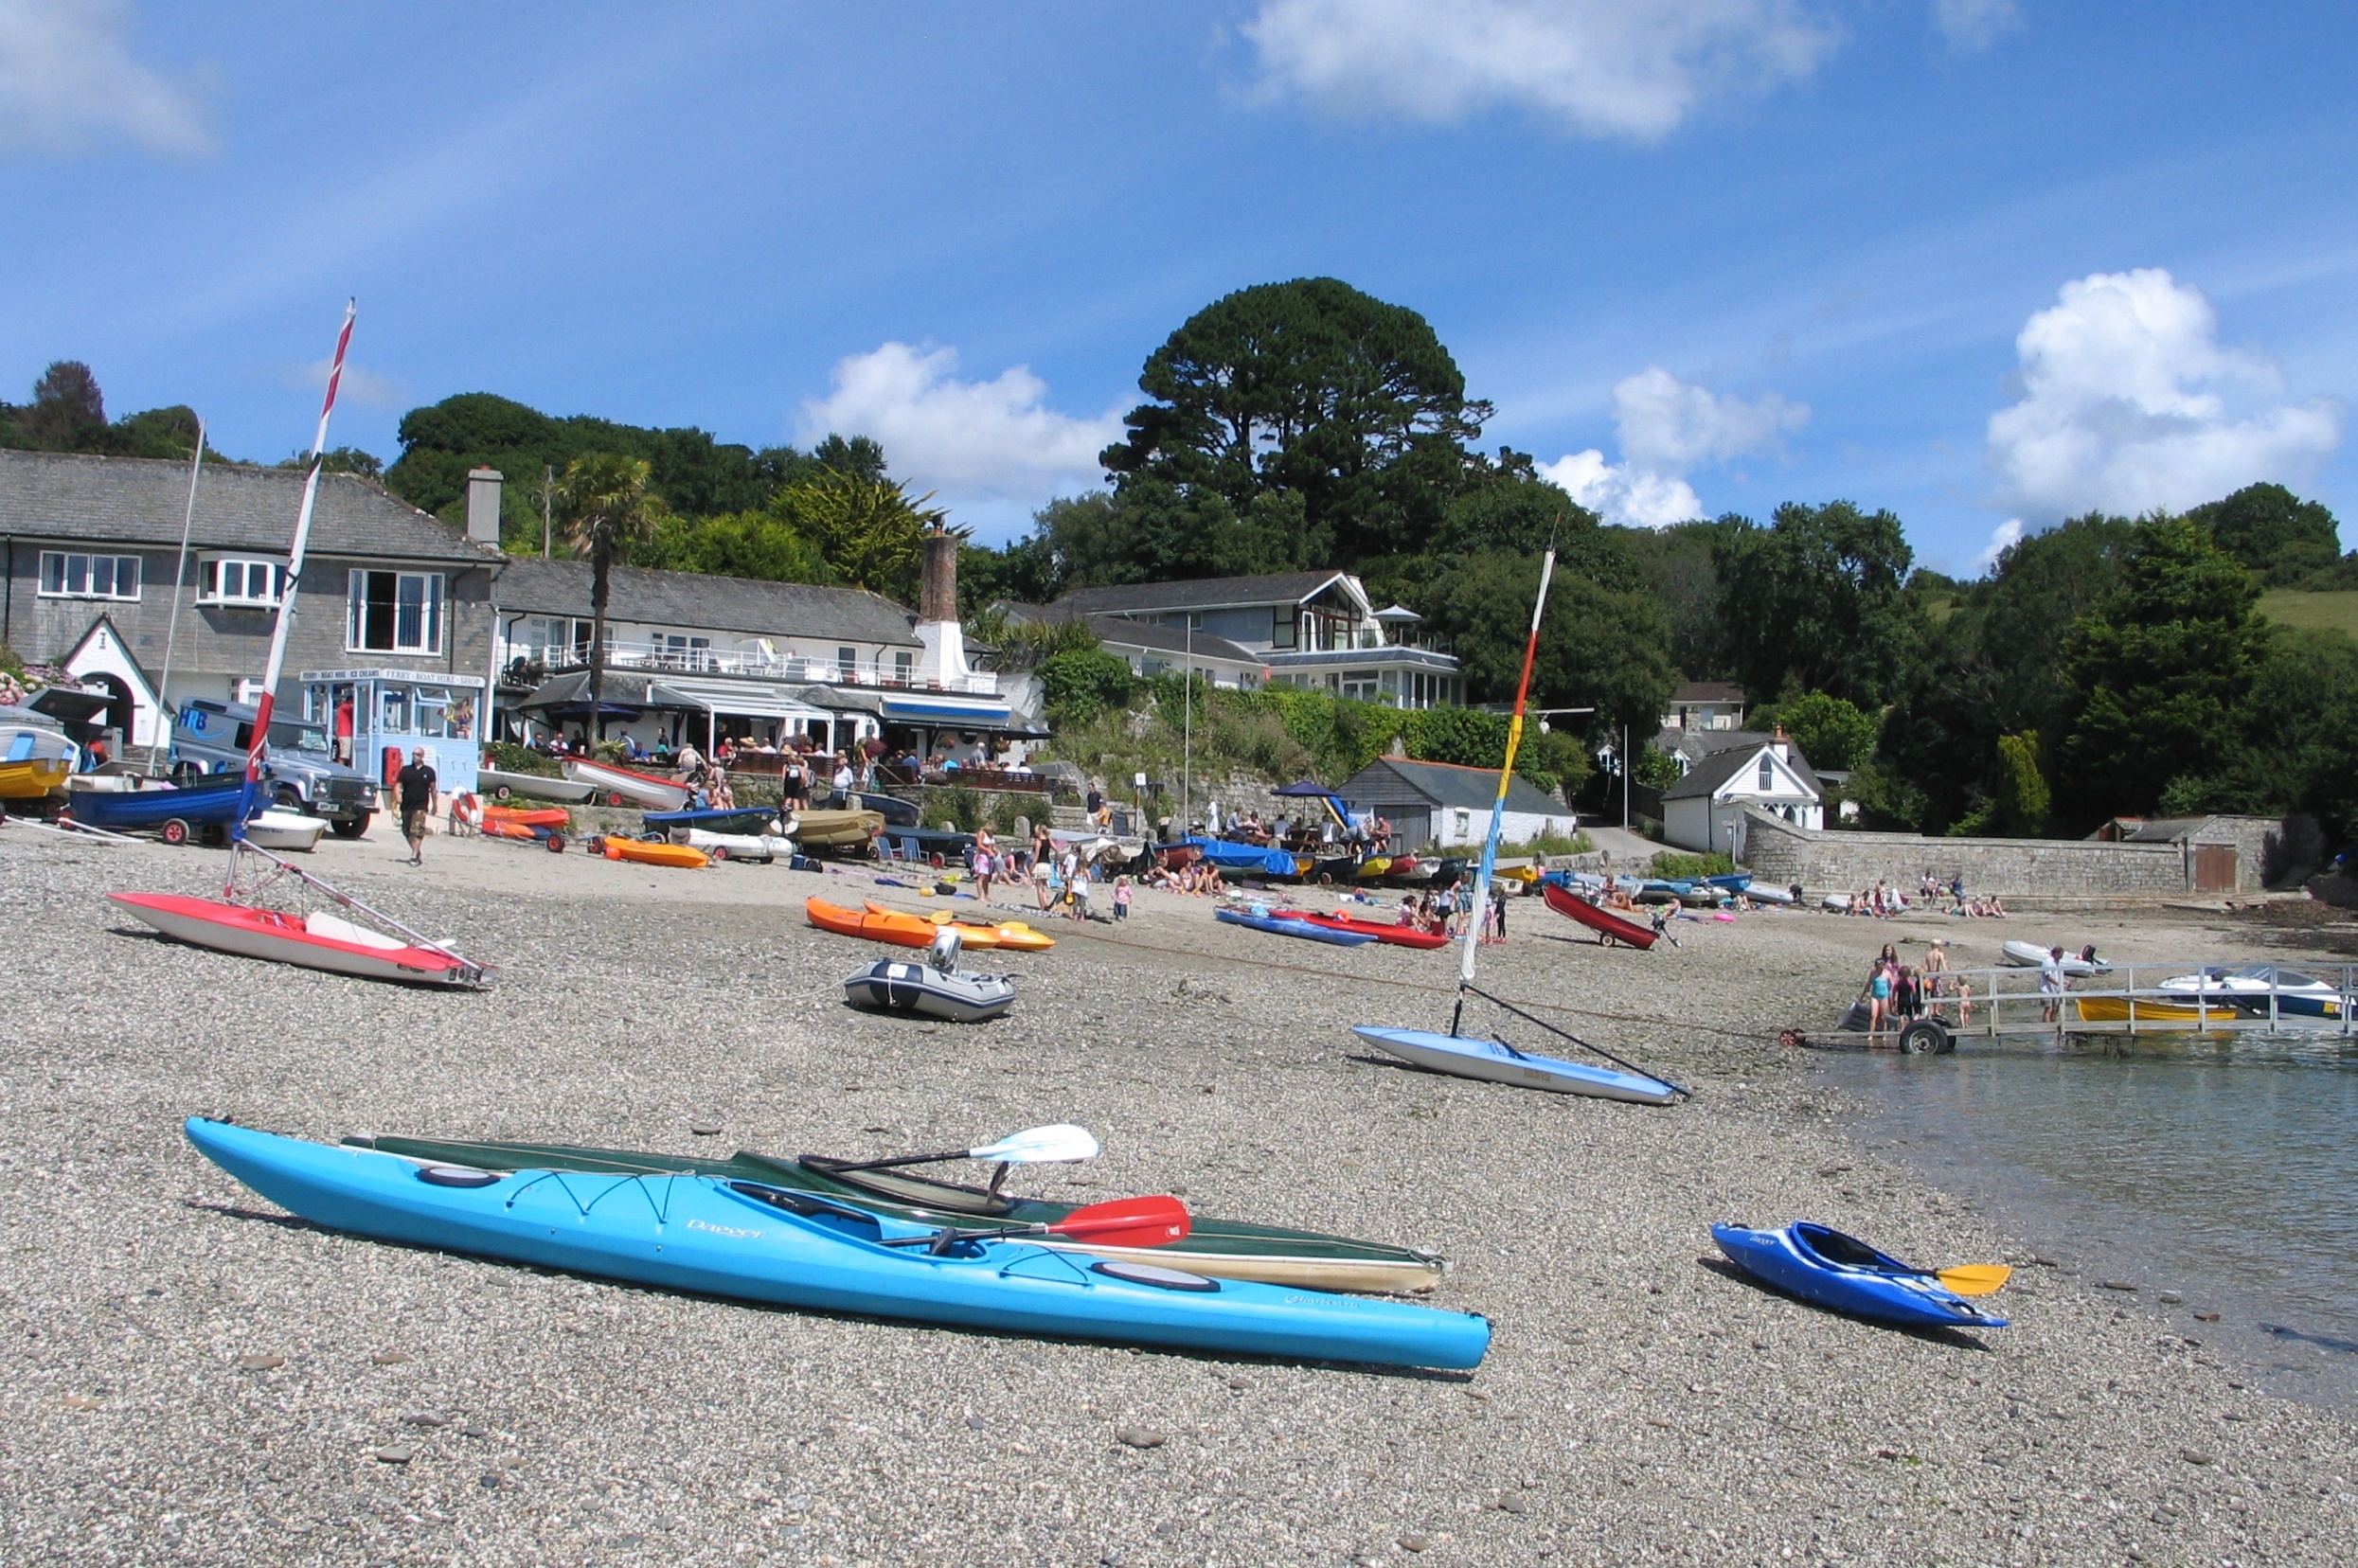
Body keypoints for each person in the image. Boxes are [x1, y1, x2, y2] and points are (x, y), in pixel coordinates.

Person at [396, 746, 438, 867]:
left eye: (418, 754)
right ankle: (417, 850)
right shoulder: (406, 770)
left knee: (417, 831)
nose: (415, 756)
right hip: (407, 805)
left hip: (421, 805)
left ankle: (414, 855)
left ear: (422, 756)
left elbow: (433, 789)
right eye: (414, 754)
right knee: (407, 831)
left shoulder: (429, 772)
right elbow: (398, 784)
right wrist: (397, 796)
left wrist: (435, 805)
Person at [2039, 944, 2066, 1024]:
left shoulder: (2057, 962)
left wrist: (2065, 981)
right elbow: (2048, 977)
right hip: (2046, 990)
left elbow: (2057, 975)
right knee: (2048, 1009)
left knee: (2056, 1008)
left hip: (2054, 990)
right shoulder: (2048, 962)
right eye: (2061, 954)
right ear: (2057, 953)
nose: (2062, 956)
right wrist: (2059, 984)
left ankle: (2053, 1023)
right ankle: (2047, 1026)